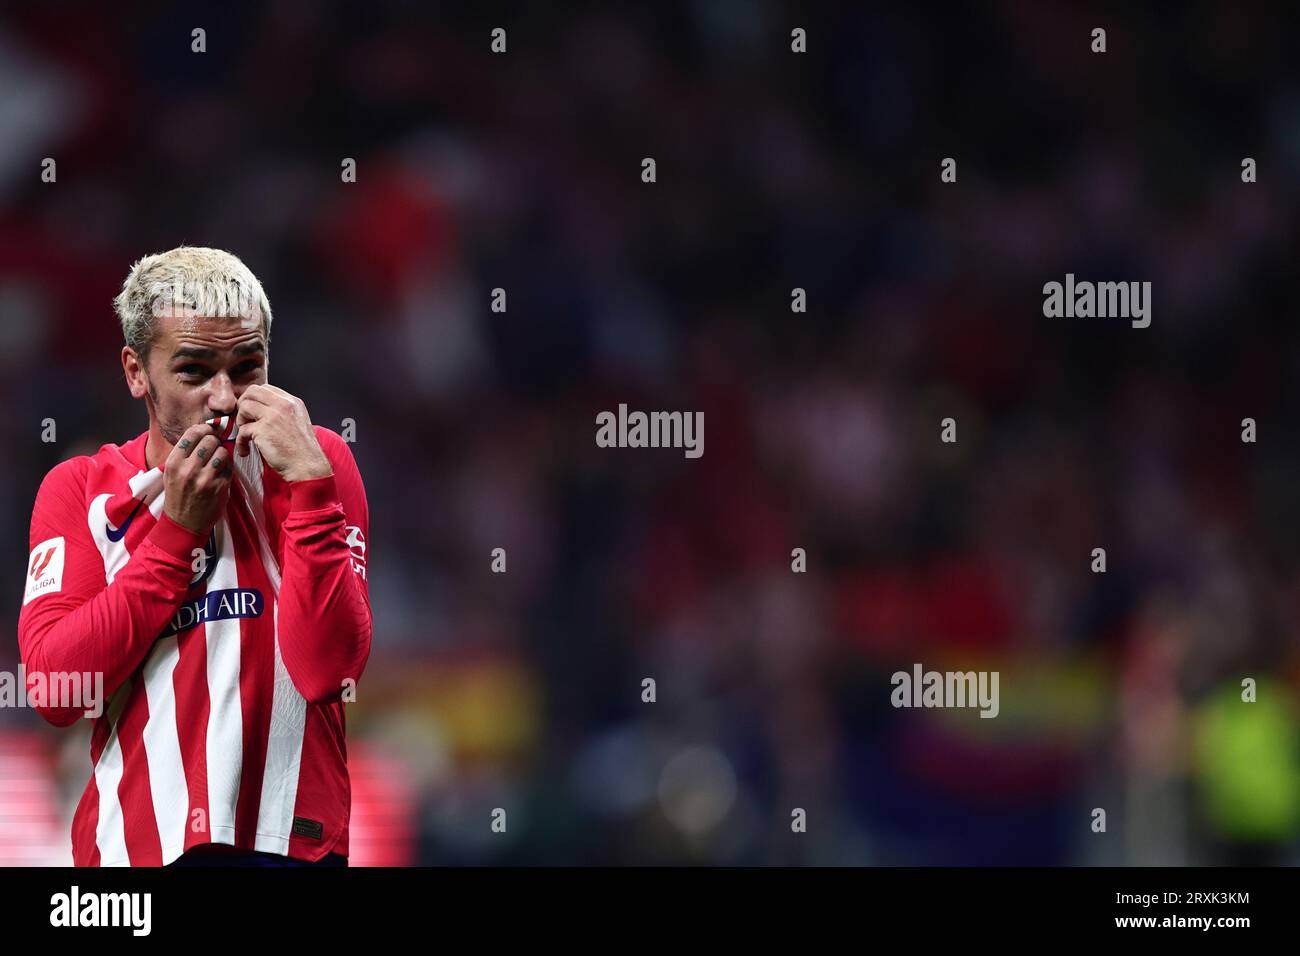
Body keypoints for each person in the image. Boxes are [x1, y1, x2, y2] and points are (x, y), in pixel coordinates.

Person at [17, 246, 372, 866]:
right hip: (133, 856)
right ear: (135, 372)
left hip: (288, 847)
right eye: (193, 371)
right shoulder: (81, 489)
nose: (224, 398)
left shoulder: (316, 464)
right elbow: (54, 690)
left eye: (247, 367)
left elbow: (328, 671)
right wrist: (176, 535)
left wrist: (314, 492)